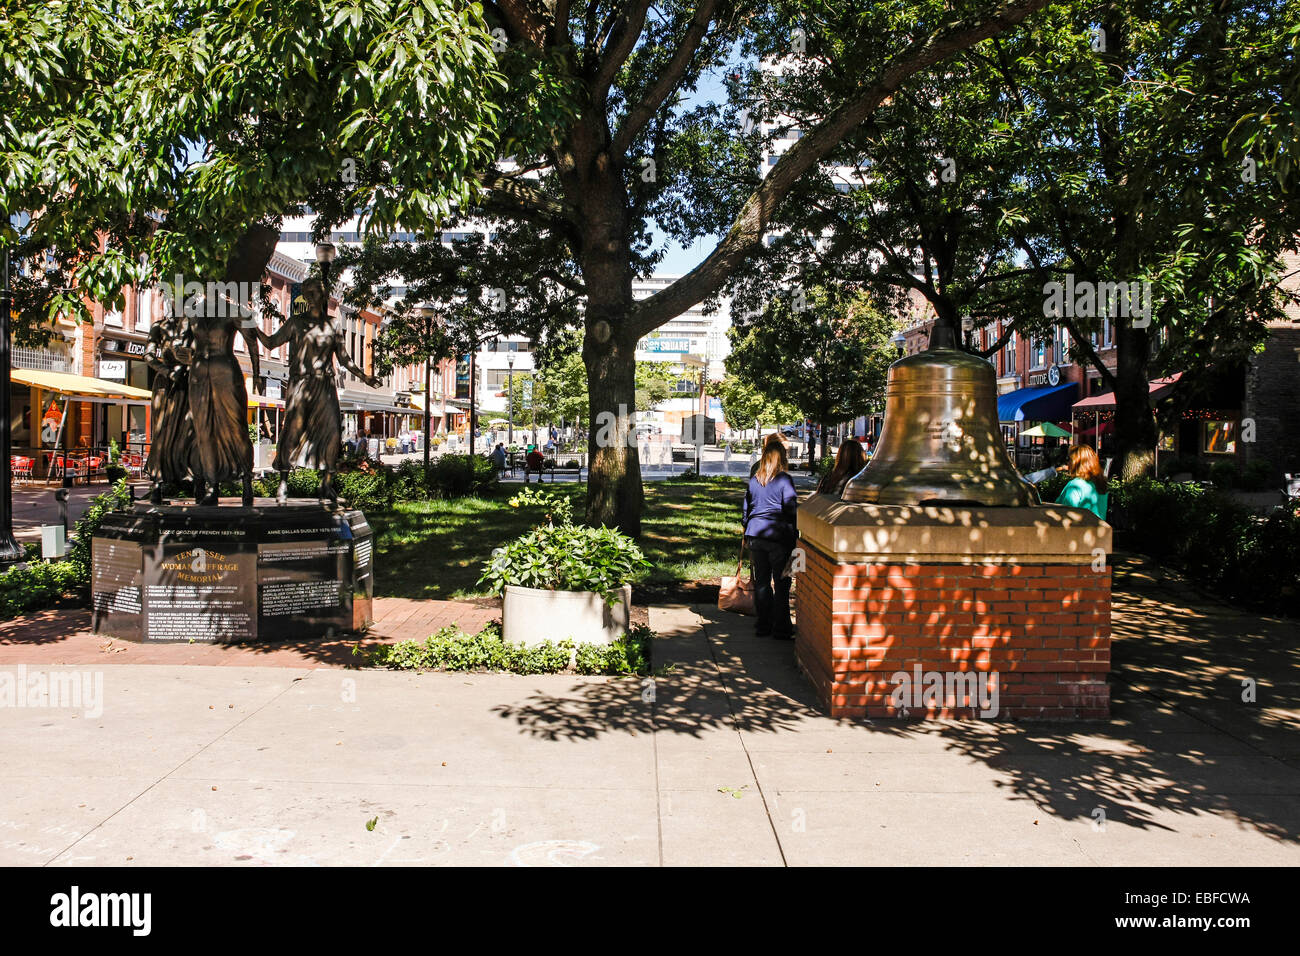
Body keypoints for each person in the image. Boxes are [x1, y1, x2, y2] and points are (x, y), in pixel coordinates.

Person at [259, 277, 382, 504]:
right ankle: (283, 483)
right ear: (305, 296)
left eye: (318, 292)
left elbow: (344, 359)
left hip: (325, 384)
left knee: (333, 431)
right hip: (301, 383)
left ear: (324, 295)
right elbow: (270, 343)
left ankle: (326, 484)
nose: (313, 296)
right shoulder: (296, 323)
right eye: (309, 292)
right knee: (293, 430)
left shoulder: (333, 324)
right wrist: (251, 328)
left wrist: (364, 376)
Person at [741, 439, 798, 639]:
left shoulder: (755, 480)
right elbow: (790, 507)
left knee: (762, 582)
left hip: (755, 535)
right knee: (782, 583)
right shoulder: (784, 480)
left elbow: (746, 509)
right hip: (778, 537)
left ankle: (763, 624)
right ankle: (781, 628)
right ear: (781, 458)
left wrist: (746, 527)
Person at [1055, 443, 1109, 520]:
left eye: (1069, 459)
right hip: (1099, 530)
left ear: (1076, 463)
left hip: (1078, 530)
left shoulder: (1075, 485)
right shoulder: (1101, 484)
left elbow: (1067, 515)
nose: (1068, 463)